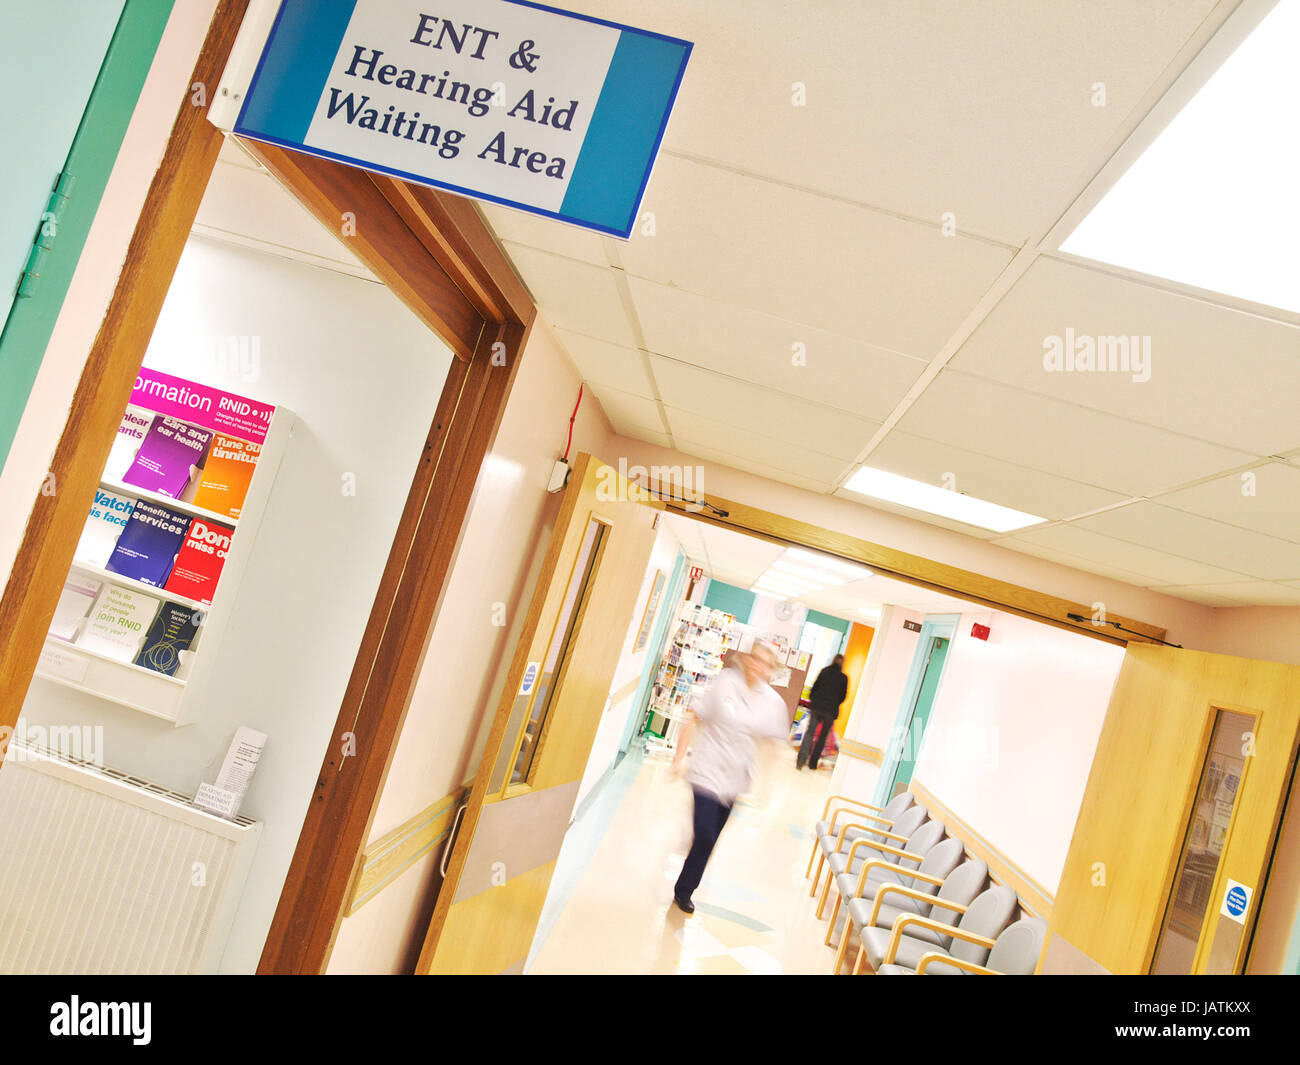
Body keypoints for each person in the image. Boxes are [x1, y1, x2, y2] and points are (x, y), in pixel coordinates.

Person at [669, 641, 789, 914]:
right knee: (706, 833)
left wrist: (768, 784)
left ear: (772, 670)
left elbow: (773, 745)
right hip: (706, 769)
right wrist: (678, 760)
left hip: (736, 777)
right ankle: (684, 890)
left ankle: (689, 874)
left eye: (765, 664)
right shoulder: (725, 683)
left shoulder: (772, 702)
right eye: (754, 658)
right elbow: (694, 716)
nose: (757, 666)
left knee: (710, 837)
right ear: (746, 658)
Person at [797, 654, 847, 770]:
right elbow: (843, 696)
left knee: (810, 733)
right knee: (822, 737)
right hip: (830, 711)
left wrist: (814, 699)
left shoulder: (824, 671)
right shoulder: (843, 678)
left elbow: (814, 687)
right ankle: (813, 763)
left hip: (817, 707)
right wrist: (834, 702)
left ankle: (801, 760)